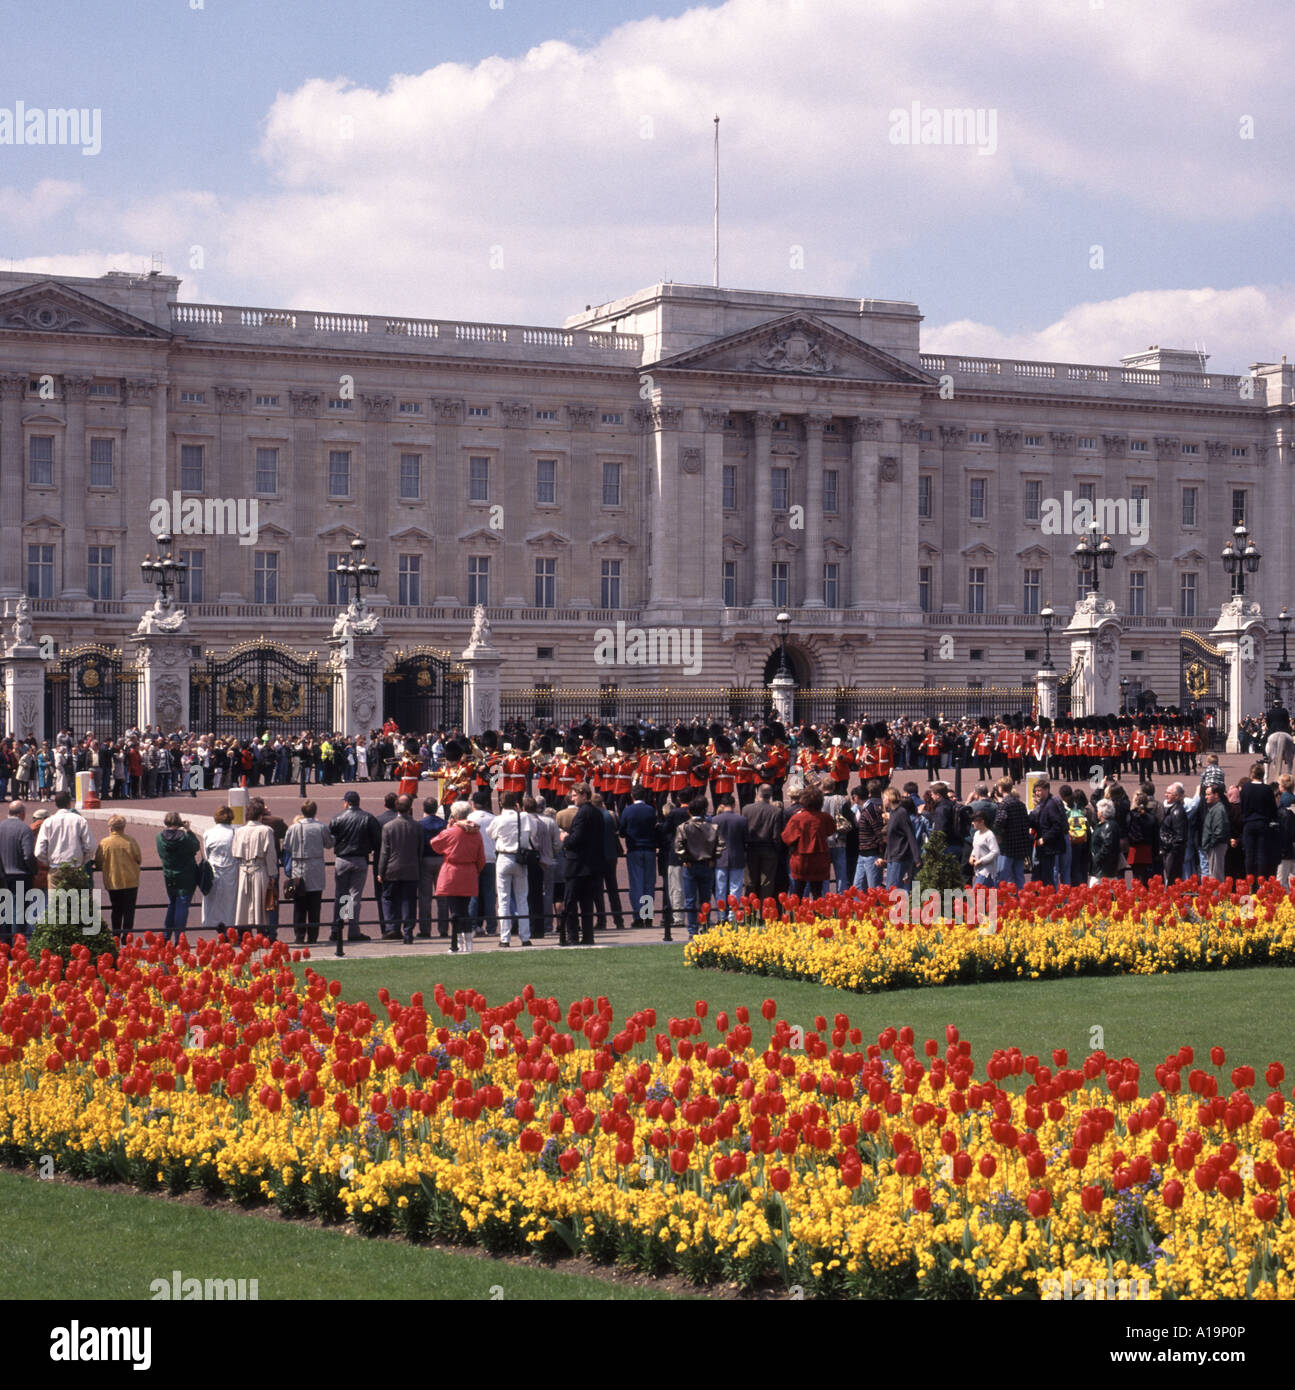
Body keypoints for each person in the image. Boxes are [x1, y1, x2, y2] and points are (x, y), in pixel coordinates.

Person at [431, 801, 486, 952]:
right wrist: (475, 871)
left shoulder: (450, 832)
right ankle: (468, 943)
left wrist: (449, 828)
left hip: (452, 871)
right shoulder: (476, 833)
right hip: (469, 871)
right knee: (465, 910)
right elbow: (481, 858)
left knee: (455, 911)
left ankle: (456, 944)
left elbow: (435, 845)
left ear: (454, 816)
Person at [328, 789, 379, 942]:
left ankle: (337, 927)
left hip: (342, 859)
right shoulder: (368, 818)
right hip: (360, 859)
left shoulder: (337, 818)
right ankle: (353, 929)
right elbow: (377, 839)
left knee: (341, 895)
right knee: (354, 896)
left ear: (346, 803)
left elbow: (331, 838)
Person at [488, 791, 538, 945]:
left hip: (504, 857)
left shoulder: (499, 819)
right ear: (516, 803)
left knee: (503, 900)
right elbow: (533, 832)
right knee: (522, 898)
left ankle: (505, 938)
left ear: (501, 804)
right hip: (520, 857)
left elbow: (490, 834)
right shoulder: (523, 817)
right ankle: (525, 937)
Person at [558, 783, 603, 946]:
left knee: (570, 904)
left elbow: (576, 840)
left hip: (577, 866)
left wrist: (565, 838)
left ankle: (571, 936)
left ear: (584, 795)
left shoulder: (583, 814)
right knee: (587, 906)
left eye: (575, 795)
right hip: (591, 866)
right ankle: (588, 936)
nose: (572, 798)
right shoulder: (597, 813)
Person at [284, 800, 334, 944]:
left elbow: (286, 846)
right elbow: (329, 844)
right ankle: (313, 937)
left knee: (299, 905)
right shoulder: (321, 827)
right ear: (315, 811)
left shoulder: (293, 828)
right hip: (315, 868)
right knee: (314, 906)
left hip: (298, 867)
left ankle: (299, 935)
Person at [377, 794, 424, 944]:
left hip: (392, 868)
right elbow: (420, 850)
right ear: (410, 809)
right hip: (411, 868)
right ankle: (408, 932)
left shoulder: (388, 827)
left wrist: (380, 871)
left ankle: (392, 926)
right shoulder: (417, 826)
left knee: (388, 898)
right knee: (409, 901)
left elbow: (385, 852)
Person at [674, 795, 719, 935]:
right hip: (706, 864)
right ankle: (704, 925)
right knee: (705, 900)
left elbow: (678, 846)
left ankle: (692, 929)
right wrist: (714, 858)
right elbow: (720, 845)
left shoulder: (683, 827)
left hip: (691, 866)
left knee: (690, 900)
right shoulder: (712, 826)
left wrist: (684, 859)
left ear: (689, 812)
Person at [233, 797, 278, 935]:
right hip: (259, 869)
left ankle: (245, 936)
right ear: (260, 815)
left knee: (244, 906)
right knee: (260, 907)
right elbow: (270, 855)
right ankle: (262, 936)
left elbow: (235, 853)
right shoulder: (266, 830)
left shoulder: (239, 831)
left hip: (243, 869)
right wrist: (272, 874)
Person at [780, 787, 834, 900]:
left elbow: (786, 838)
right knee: (817, 893)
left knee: (797, 894)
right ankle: (818, 916)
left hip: (801, 860)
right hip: (820, 860)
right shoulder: (826, 817)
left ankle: (797, 916)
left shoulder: (797, 818)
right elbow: (831, 831)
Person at [156, 810, 201, 944]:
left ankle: (165, 936)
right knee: (182, 906)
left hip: (169, 875)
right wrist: (189, 830)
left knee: (172, 904)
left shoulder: (159, 837)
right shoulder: (185, 837)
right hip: (186, 874)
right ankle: (179, 938)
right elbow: (196, 846)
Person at [93, 814, 141, 936]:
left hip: (113, 881)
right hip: (131, 880)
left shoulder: (105, 843)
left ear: (110, 828)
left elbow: (98, 861)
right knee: (129, 912)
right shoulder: (131, 841)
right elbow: (138, 858)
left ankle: (116, 936)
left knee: (116, 910)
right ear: (123, 827)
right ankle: (127, 939)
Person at [619, 785, 660, 929]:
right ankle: (647, 915)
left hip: (634, 849)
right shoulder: (650, 810)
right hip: (649, 849)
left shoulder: (628, 810)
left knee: (637, 885)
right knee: (648, 885)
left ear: (632, 796)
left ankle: (638, 916)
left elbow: (622, 830)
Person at [0, 801, 37, 942]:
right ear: (22, 813)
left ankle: (4, 945)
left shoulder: (1, 826)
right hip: (20, 875)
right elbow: (28, 855)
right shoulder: (24, 829)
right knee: (18, 912)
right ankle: (18, 947)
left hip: (3, 875)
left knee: (4, 912)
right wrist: (33, 870)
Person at [34, 789, 95, 874]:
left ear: (55, 804)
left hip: (55, 868)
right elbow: (90, 847)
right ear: (69, 803)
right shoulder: (80, 820)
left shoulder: (48, 822)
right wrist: (82, 862)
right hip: (75, 867)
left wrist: (49, 863)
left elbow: (39, 851)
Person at [742, 784, 783, 901]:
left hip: (751, 848)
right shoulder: (776, 811)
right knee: (767, 882)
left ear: (758, 794)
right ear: (770, 796)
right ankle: (765, 912)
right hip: (769, 848)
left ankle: (750, 913)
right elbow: (776, 835)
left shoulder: (746, 809)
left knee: (750, 882)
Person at [201, 804, 238, 931]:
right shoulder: (235, 833)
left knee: (213, 902)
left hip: (214, 871)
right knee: (230, 903)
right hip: (231, 870)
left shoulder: (208, 833)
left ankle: (216, 926)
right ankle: (229, 928)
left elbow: (207, 855)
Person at [1240, 765, 1278, 882]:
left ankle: (1249, 879)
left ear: (1252, 774)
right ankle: (1261, 880)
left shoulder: (1245, 788)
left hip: (1249, 823)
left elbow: (1243, 806)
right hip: (1262, 822)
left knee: (1249, 854)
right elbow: (1272, 809)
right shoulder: (1267, 789)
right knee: (1261, 854)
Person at [712, 794, 747, 922]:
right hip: (737, 856)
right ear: (734, 805)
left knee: (720, 888)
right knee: (735, 888)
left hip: (720, 857)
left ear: (722, 805)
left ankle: (721, 916)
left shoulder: (715, 820)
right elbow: (745, 839)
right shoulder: (741, 820)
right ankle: (733, 915)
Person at [878, 786, 921, 890]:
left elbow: (910, 835)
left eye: (884, 798)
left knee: (893, 888)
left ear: (890, 798)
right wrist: (886, 857)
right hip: (893, 856)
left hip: (900, 855)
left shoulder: (901, 813)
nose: (883, 800)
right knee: (892, 887)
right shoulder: (893, 813)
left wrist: (916, 857)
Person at [992, 779, 1030, 889]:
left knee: (1002, 876)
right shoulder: (1020, 804)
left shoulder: (1004, 804)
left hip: (1007, 846)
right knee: (1019, 876)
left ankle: (1003, 902)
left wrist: (997, 835)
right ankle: (1021, 898)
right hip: (1020, 845)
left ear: (1000, 788)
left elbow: (999, 821)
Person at [850, 780, 886, 890]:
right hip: (863, 853)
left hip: (872, 854)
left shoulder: (870, 810)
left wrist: (881, 854)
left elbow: (879, 833)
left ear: (856, 797)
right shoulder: (866, 809)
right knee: (857, 887)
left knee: (873, 889)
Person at [1199, 783, 1231, 883]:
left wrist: (1210, 844)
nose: (1206, 797)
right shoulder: (1215, 808)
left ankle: (1218, 896)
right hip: (1214, 845)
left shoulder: (1218, 809)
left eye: (1208, 794)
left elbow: (1219, 831)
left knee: (1215, 875)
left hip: (1216, 846)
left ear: (1216, 795)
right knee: (1213, 873)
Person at [1089, 799, 1123, 883]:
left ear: (1101, 812)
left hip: (1103, 870)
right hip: (1102, 869)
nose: (1096, 812)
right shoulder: (1106, 825)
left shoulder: (1109, 826)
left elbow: (1107, 846)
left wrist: (1097, 859)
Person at [1160, 783, 1188, 884]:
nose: (1165, 795)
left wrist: (1170, 849)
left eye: (1169, 793)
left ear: (1176, 796)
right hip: (1169, 850)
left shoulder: (1177, 811)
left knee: (1172, 878)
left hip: (1173, 852)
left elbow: (1180, 836)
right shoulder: (1172, 809)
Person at [968, 808, 998, 887]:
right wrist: (972, 856)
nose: (972, 823)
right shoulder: (977, 833)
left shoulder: (989, 835)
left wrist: (981, 861)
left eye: (974, 821)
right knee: (991, 897)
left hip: (987, 871)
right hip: (979, 870)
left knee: (977, 895)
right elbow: (975, 847)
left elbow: (995, 852)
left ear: (982, 822)